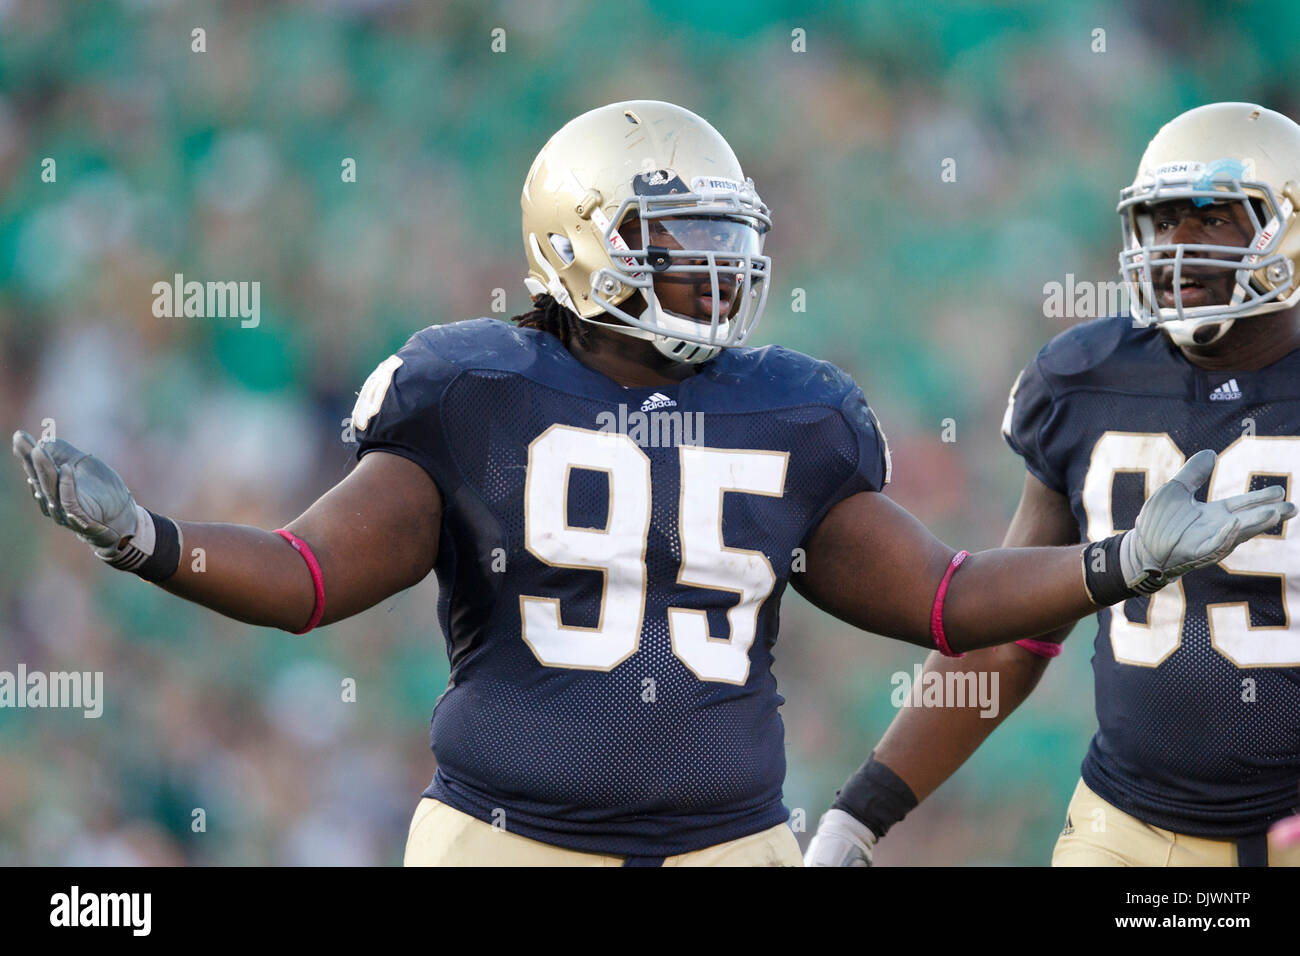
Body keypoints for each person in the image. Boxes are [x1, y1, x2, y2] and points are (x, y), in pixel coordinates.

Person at [12, 101, 1293, 867]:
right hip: (504, 839)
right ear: (577, 245)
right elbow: (307, 578)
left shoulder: (789, 403)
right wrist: (153, 540)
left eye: (726, 240)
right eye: (677, 243)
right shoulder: (469, 387)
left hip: (730, 842)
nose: (713, 270)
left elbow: (941, 596)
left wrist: (1119, 561)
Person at [805, 102, 1300, 868]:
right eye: (1162, 221)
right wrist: (860, 814)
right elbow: (1014, 633)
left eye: (1211, 218)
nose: (1177, 245)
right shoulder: (1084, 377)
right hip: (1132, 833)